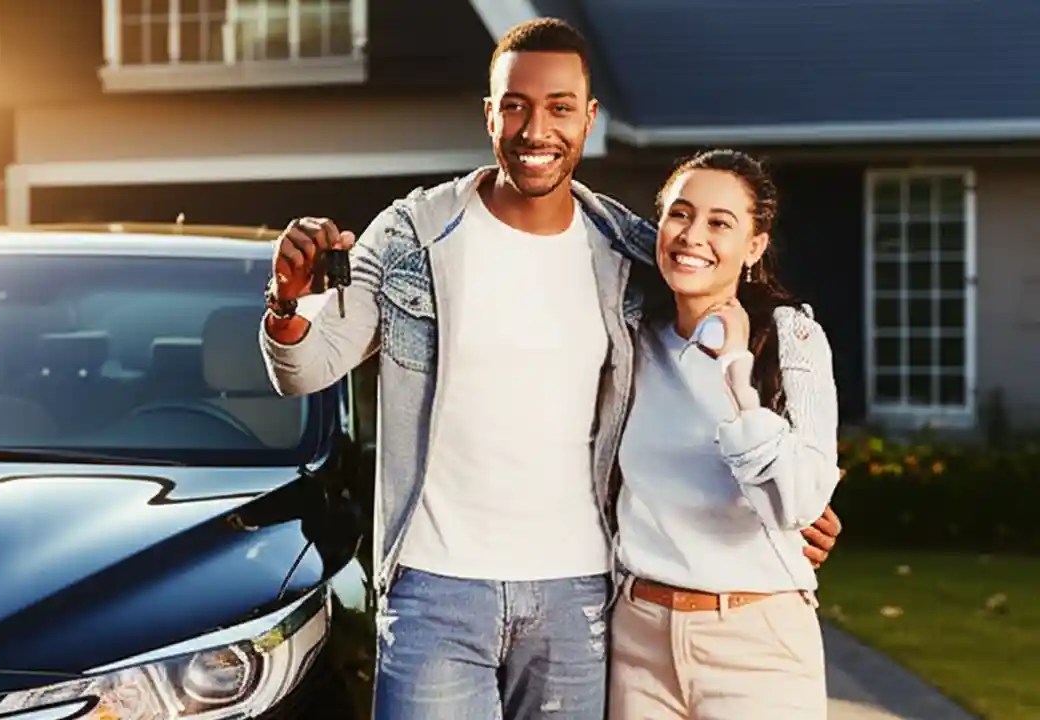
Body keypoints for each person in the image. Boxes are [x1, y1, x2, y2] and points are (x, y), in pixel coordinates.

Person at [258, 18, 840, 720]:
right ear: (490, 114)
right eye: (516, 105)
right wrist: (287, 302)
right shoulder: (412, 234)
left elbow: (726, 323)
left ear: (589, 118)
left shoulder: (624, 252)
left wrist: (798, 506)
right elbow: (307, 367)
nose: (538, 129)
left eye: (561, 107)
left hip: (576, 595)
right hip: (438, 589)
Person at [609, 148, 839, 719]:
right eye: (680, 215)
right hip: (637, 641)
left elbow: (800, 501)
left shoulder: (794, 339)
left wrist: (737, 374)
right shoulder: (631, 342)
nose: (693, 236)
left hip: (755, 643)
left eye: (720, 223)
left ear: (754, 247)